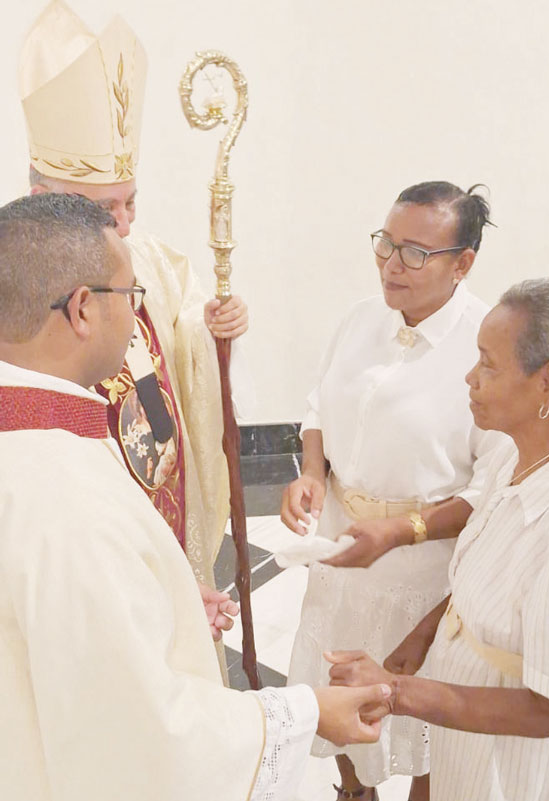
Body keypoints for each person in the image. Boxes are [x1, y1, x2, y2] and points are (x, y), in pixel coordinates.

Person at [0, 192, 393, 801]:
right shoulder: (69, 503)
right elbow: (147, 741)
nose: (138, 315)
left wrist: (167, 601)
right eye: (130, 295)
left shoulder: (37, 439)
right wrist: (307, 713)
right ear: (82, 309)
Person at [326, 278, 549, 801]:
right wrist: (426, 632)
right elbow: (492, 562)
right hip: (473, 736)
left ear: (548, 381)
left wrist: (396, 693)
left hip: (527, 766)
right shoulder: (521, 449)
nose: (470, 377)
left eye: (488, 364)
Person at [280, 181, 500, 800]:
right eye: (385, 243)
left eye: (415, 253)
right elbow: (319, 404)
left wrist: (401, 532)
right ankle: (353, 791)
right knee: (340, 680)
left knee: (420, 714)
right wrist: (311, 473)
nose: (391, 265)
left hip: (424, 570)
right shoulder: (361, 318)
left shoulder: (486, 345)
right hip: (343, 550)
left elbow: (492, 487)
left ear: (462, 263)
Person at [19, 0, 248, 590]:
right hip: (72, 512)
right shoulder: (15, 272)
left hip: (160, 477)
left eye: (131, 201)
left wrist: (213, 325)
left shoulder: (149, 259)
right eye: (105, 208)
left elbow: (186, 329)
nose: (123, 223)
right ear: (44, 199)